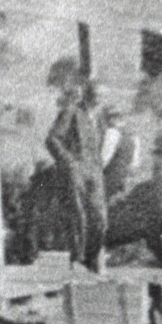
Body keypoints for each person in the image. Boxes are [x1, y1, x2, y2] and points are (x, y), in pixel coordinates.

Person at [47, 74, 108, 273]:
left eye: (101, 95)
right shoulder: (72, 112)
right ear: (87, 94)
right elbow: (52, 139)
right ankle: (78, 259)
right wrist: (69, 162)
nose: (98, 99)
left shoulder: (99, 118)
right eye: (95, 94)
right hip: (76, 171)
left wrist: (98, 166)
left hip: (94, 172)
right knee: (78, 215)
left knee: (100, 218)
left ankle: (90, 258)